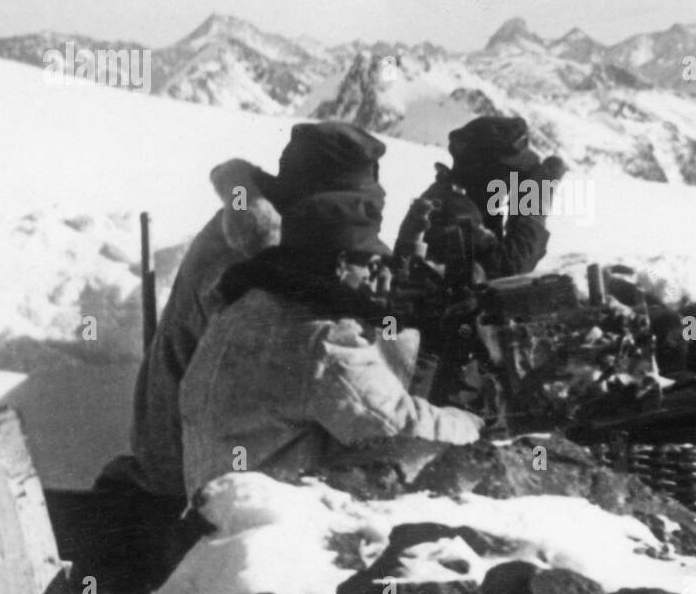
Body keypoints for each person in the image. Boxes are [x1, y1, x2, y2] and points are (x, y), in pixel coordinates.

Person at [125, 121, 388, 498]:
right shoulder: (247, 255)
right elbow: (286, 356)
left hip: (199, 450)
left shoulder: (266, 230)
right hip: (185, 471)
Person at [180, 189, 482, 499]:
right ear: (340, 265)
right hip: (269, 513)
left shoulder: (239, 311)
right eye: (372, 267)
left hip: (220, 502)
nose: (382, 280)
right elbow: (398, 423)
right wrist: (472, 424)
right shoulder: (322, 340)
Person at [397, 115, 566, 281]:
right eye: (511, 174)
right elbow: (506, 270)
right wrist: (532, 205)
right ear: (487, 171)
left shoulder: (464, 197)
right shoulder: (454, 208)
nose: (513, 184)